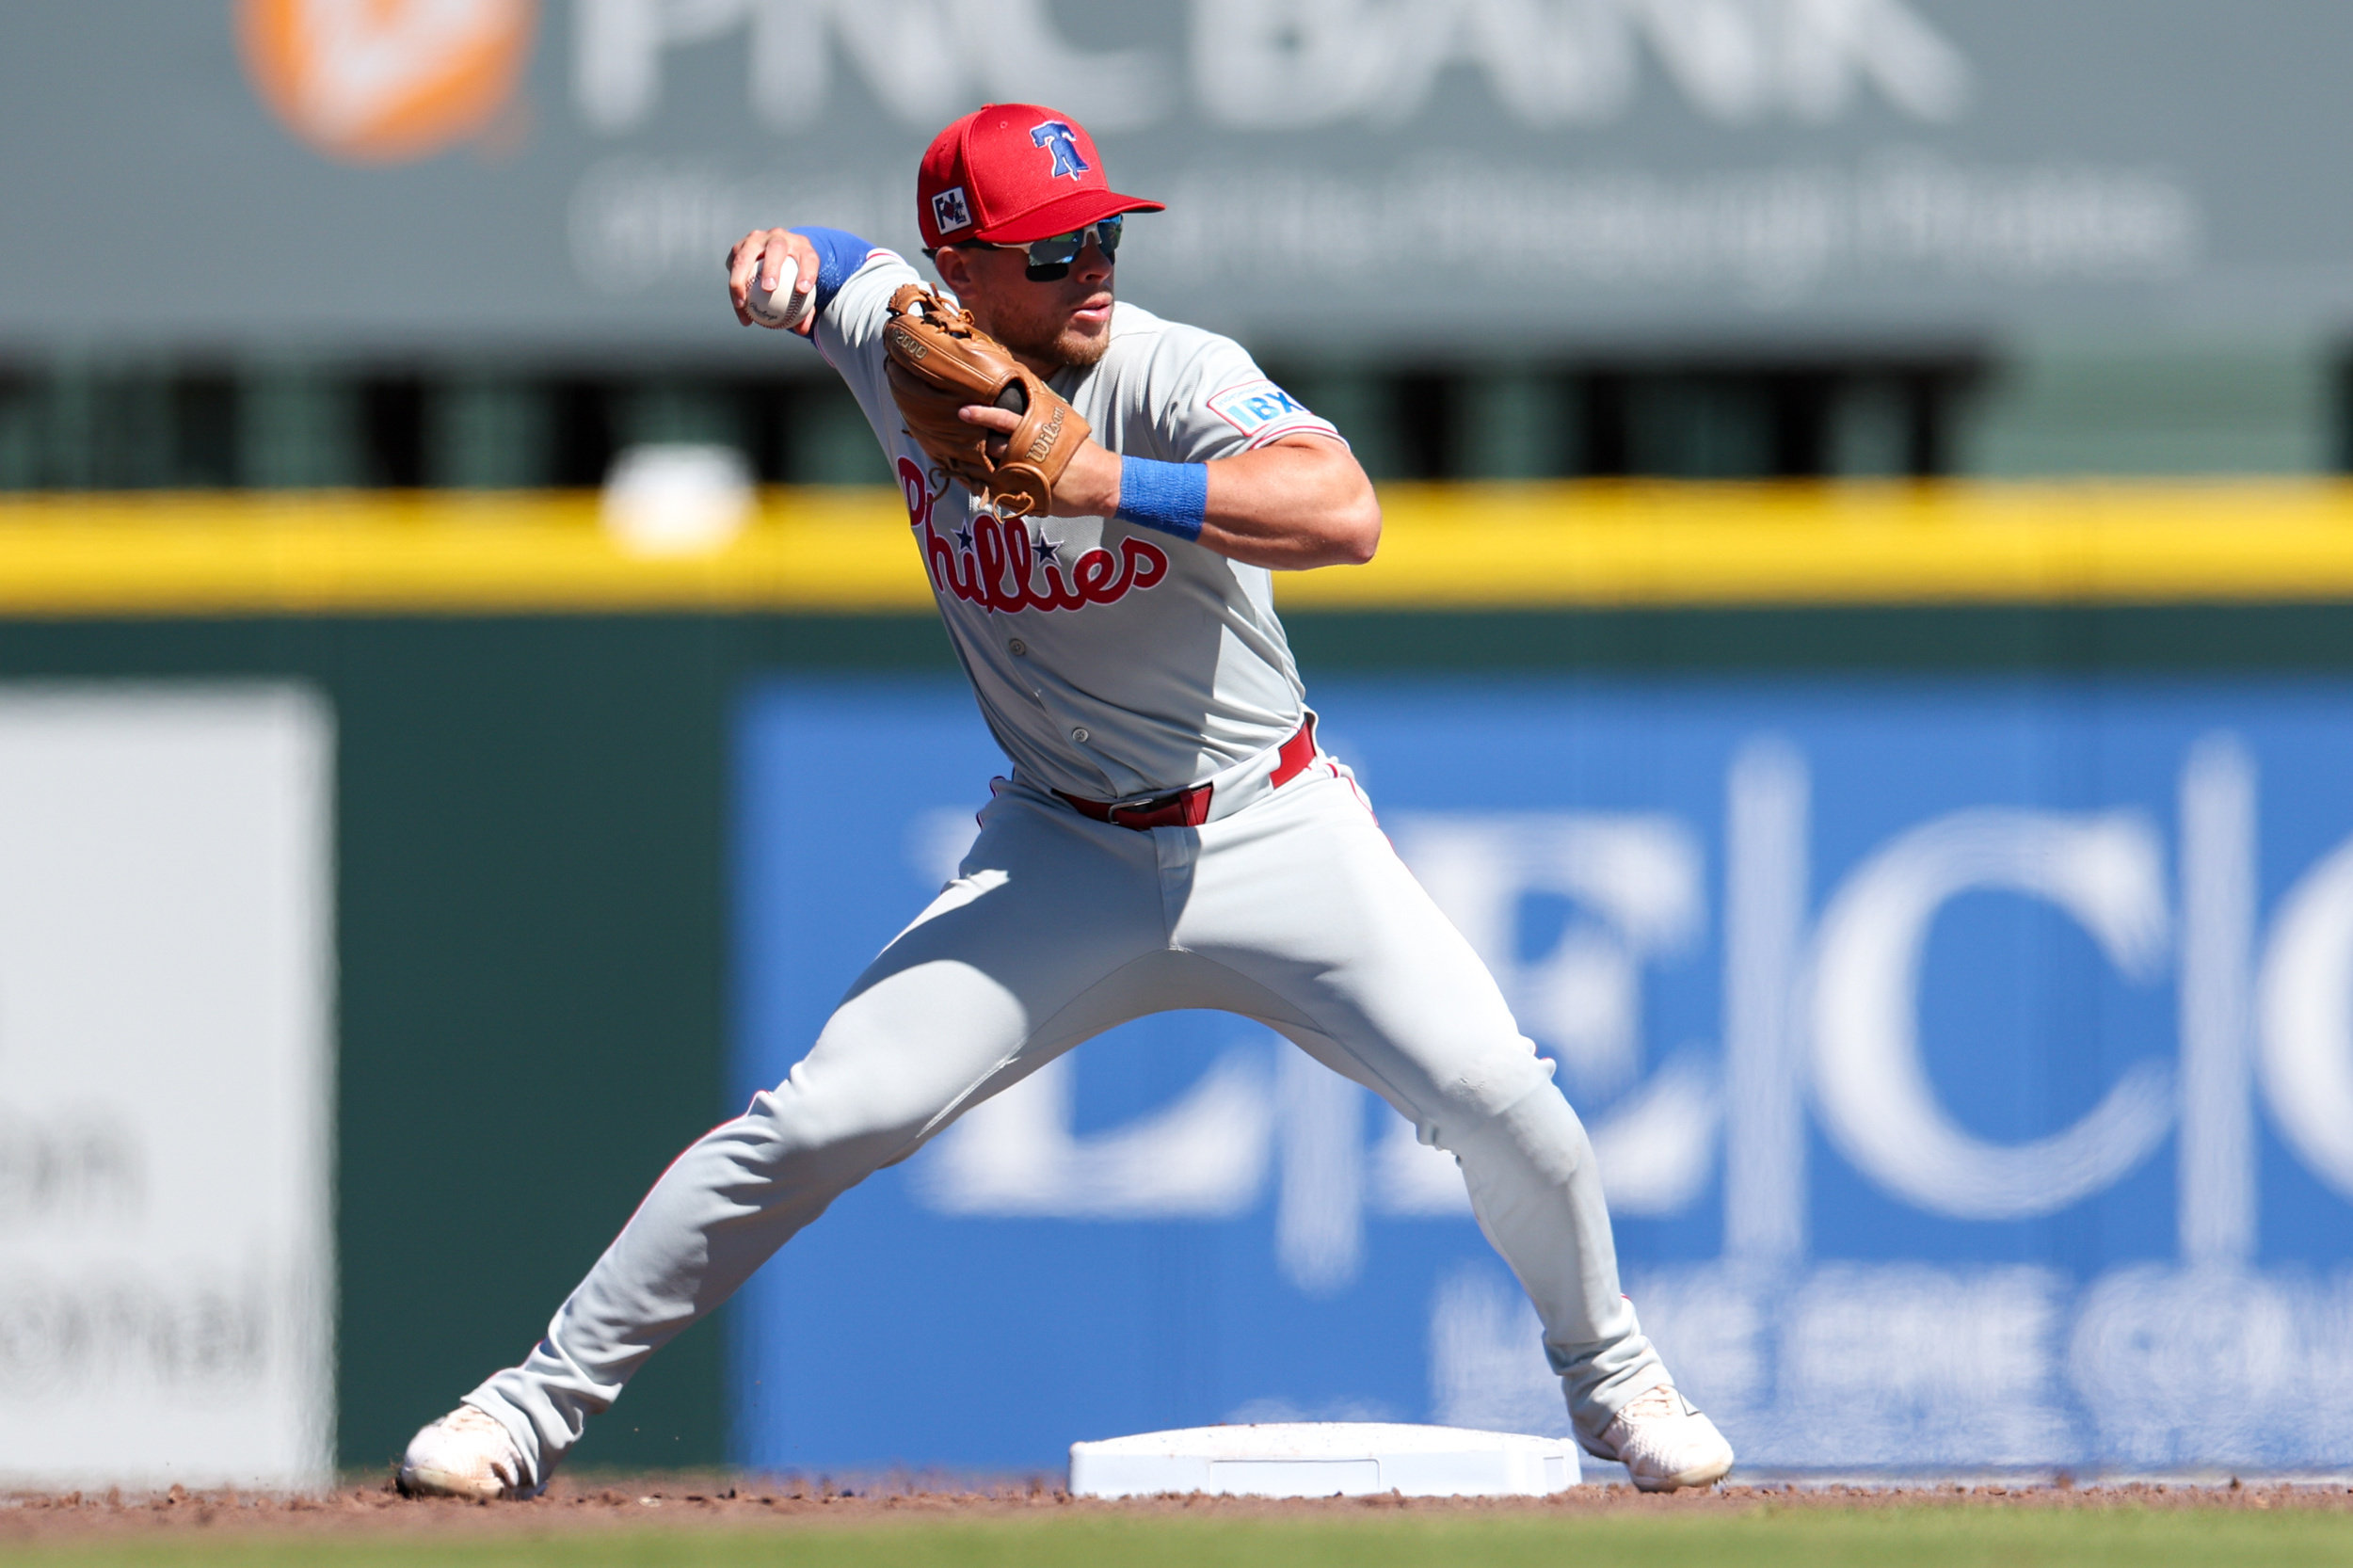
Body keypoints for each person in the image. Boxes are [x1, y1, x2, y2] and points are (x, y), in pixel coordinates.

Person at [397, 103, 1735, 1500]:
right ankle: (526, 1408)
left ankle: (1616, 1377)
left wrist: (1108, 479)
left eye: (1101, 231)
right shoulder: (903, 336)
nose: (1092, 265)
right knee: (813, 1120)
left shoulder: (1168, 370)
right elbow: (828, 263)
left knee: (1505, 1097)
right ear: (959, 270)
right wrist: (783, 254)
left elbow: (1345, 513)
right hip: (1061, 850)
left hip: (1272, 822)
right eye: (1052, 249)